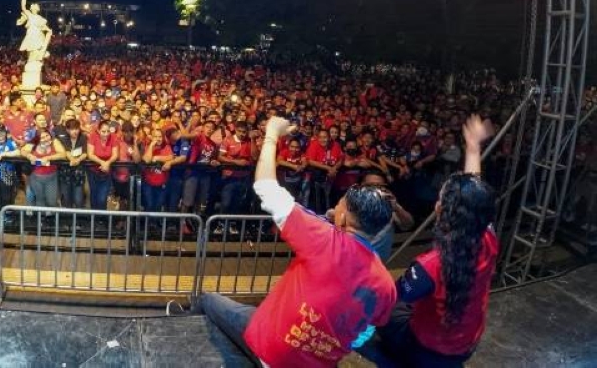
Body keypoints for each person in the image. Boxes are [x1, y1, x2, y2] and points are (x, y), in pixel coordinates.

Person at [201, 116, 397, 367]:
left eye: (339, 205)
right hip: (319, 362)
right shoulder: (386, 285)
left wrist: (272, 133)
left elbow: (265, 186)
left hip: (271, 349)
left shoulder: (323, 238)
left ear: (345, 216)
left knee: (210, 300)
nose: (335, 206)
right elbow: (365, 333)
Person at [361, 115, 498, 367]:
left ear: (441, 210)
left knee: (379, 310)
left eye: (441, 196)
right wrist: (473, 148)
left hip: (426, 349)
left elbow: (392, 296)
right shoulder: (488, 237)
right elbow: (473, 194)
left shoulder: (430, 265)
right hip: (465, 345)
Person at [22, 127, 65, 209]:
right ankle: (41, 219)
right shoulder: (34, 143)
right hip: (36, 177)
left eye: (47, 135)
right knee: (40, 199)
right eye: (42, 137)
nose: (45, 138)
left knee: (52, 201)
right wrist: (29, 155)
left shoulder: (54, 141)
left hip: (52, 176)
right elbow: (22, 151)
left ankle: (51, 217)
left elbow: (63, 154)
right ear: (38, 139)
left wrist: (48, 158)